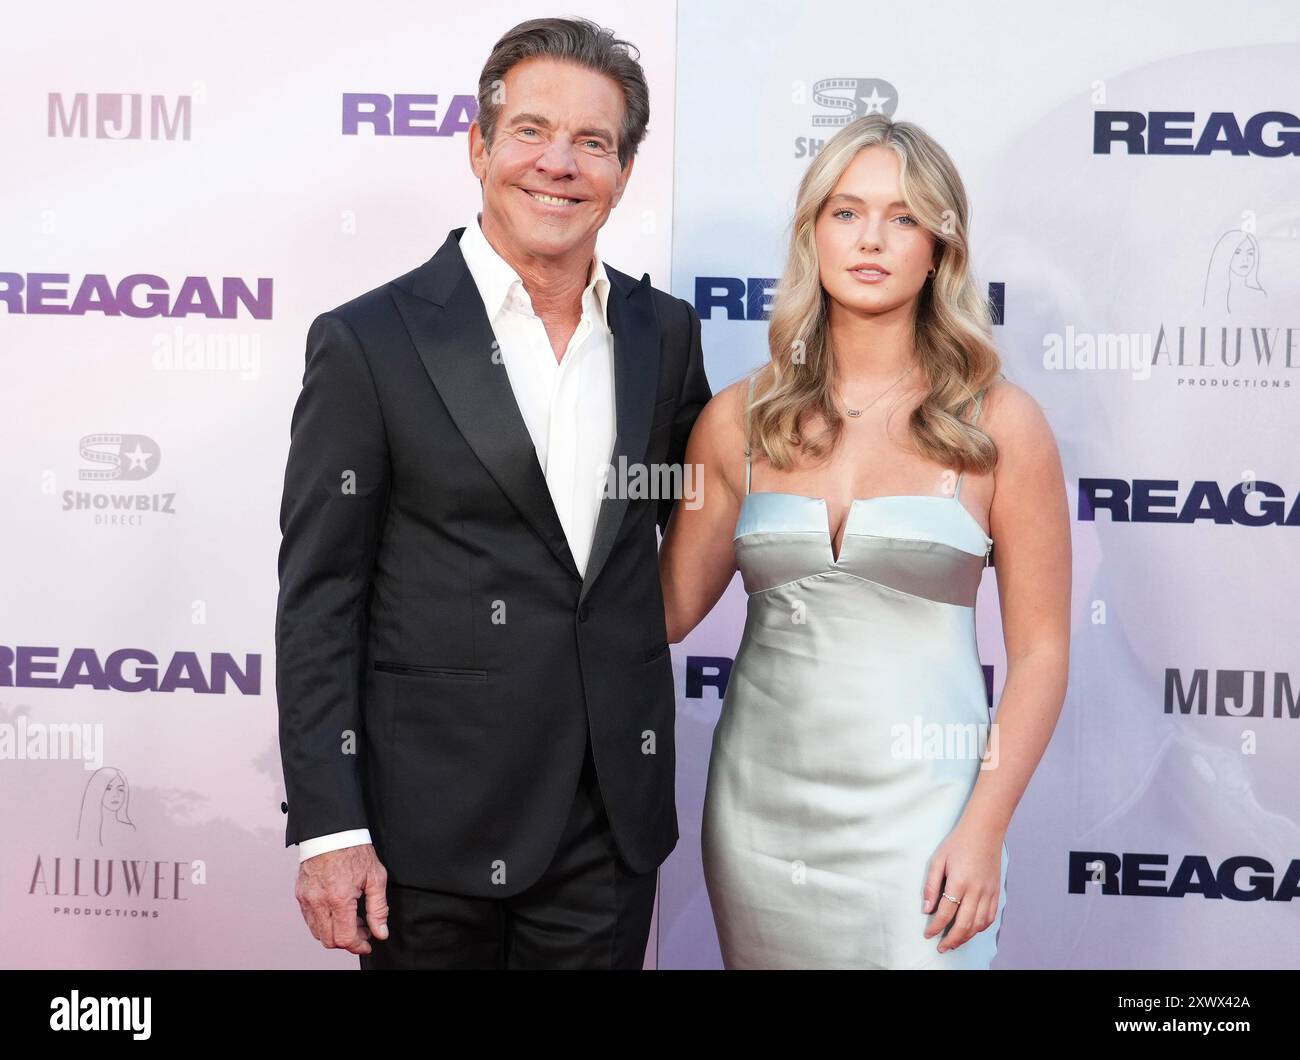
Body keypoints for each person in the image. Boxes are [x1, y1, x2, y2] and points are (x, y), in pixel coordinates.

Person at [275, 17, 711, 969]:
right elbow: (320, 601)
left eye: (593, 142)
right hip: (423, 831)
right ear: (478, 147)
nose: (559, 163)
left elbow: (680, 518)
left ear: (624, 174)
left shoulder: (665, 338)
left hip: (607, 832)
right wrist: (327, 827)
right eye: (530, 132)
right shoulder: (370, 342)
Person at [659, 115, 1070, 968]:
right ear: (813, 233)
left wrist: (985, 826)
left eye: (904, 216)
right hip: (760, 814)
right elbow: (659, 613)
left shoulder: (1002, 424)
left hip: (927, 821)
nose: (872, 239)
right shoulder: (738, 419)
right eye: (846, 212)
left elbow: (1040, 653)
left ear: (940, 246)